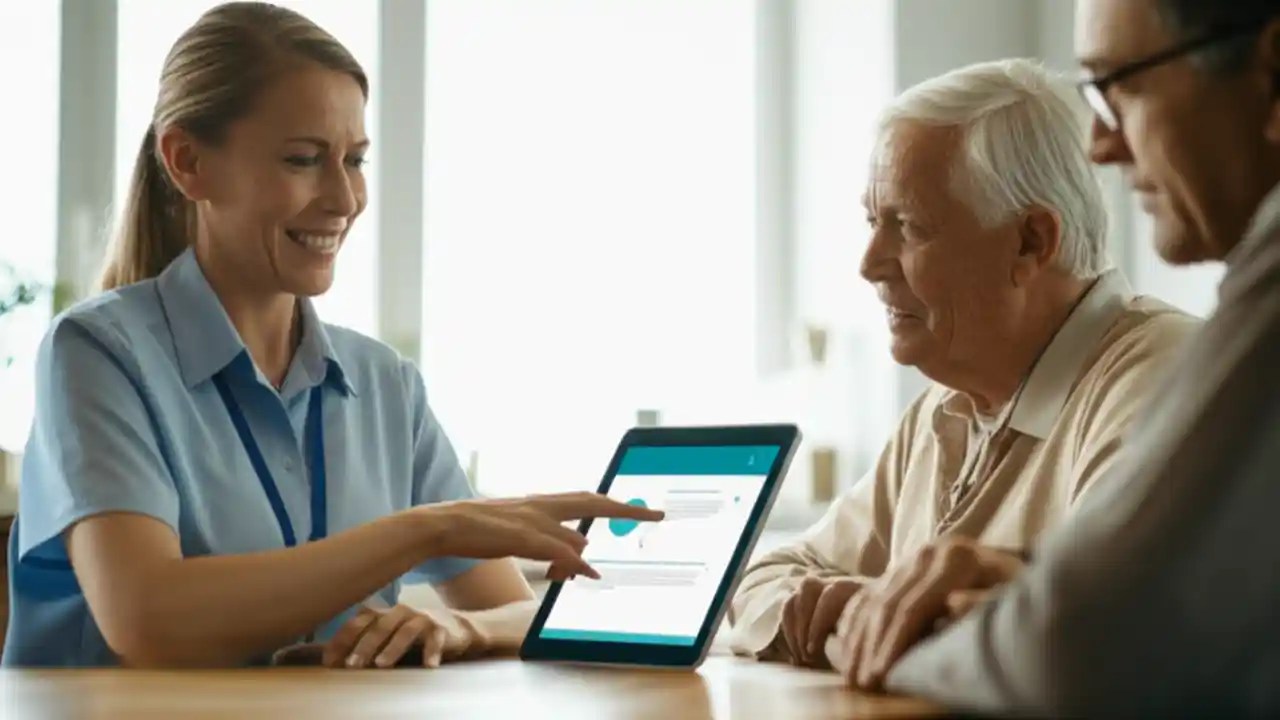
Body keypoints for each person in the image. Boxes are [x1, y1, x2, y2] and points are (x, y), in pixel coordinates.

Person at [4, 1, 661, 669]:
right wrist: (422, 531)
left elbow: (520, 609)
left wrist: (467, 630)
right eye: (303, 160)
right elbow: (148, 618)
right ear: (187, 162)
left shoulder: (385, 386)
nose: (344, 200)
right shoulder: (98, 353)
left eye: (355, 160)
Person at [827, 1, 1280, 715]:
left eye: (1118, 84)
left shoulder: (1174, 356)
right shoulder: (938, 411)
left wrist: (886, 627)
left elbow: (1085, 643)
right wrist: (1010, 593)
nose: (1100, 144)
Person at [728, 58, 1196, 667]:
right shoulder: (941, 409)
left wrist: (874, 621)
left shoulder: (1157, 378)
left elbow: (1100, 638)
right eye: (873, 221)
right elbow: (768, 576)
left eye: (909, 227)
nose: (869, 263)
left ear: (1030, 242)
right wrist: (869, 616)